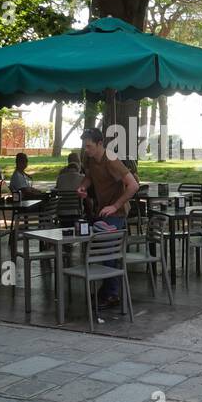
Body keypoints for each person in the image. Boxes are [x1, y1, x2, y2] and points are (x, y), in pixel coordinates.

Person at [77, 127, 139, 307]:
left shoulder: (111, 159)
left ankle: (111, 294)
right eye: (84, 147)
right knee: (104, 251)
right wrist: (83, 187)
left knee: (109, 253)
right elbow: (89, 176)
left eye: (89, 146)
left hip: (116, 213)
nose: (86, 150)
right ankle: (107, 291)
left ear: (99, 144)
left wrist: (115, 206)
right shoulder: (91, 160)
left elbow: (133, 185)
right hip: (102, 211)